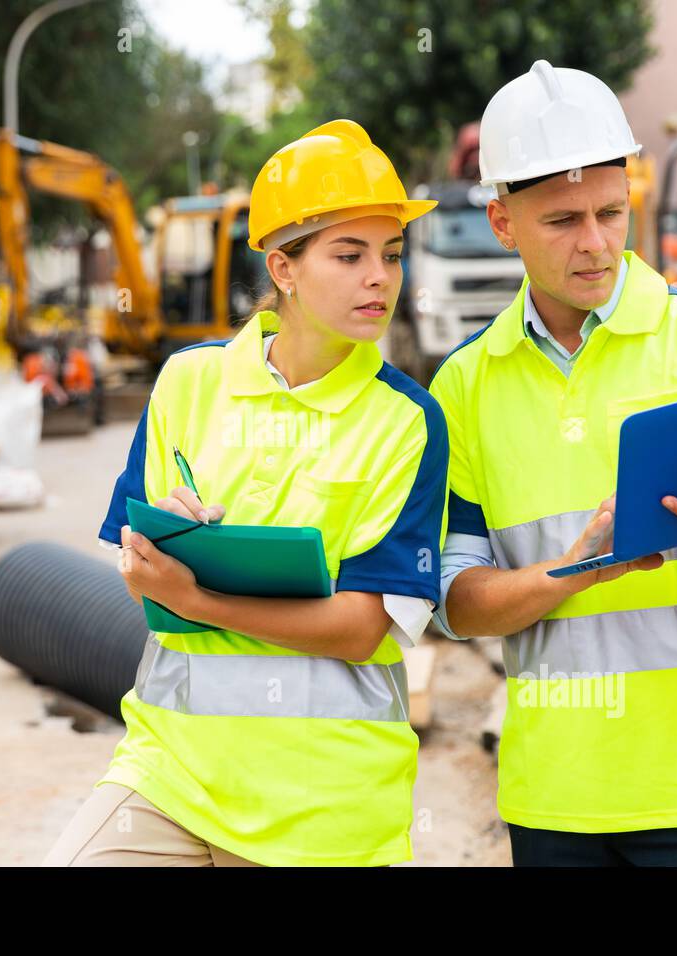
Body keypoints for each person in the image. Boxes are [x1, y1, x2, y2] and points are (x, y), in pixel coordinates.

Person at [430, 61, 677, 867]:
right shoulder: (464, 384)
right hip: (555, 800)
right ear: (502, 223)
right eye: (563, 220)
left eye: (612, 211)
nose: (596, 243)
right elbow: (455, 608)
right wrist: (568, 575)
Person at [43, 119, 448, 867]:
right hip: (172, 771)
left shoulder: (408, 423)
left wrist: (201, 601)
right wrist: (156, 541)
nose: (380, 278)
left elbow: (363, 628)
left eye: (391, 255)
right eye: (349, 254)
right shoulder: (189, 381)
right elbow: (137, 574)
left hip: (324, 803)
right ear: (284, 268)